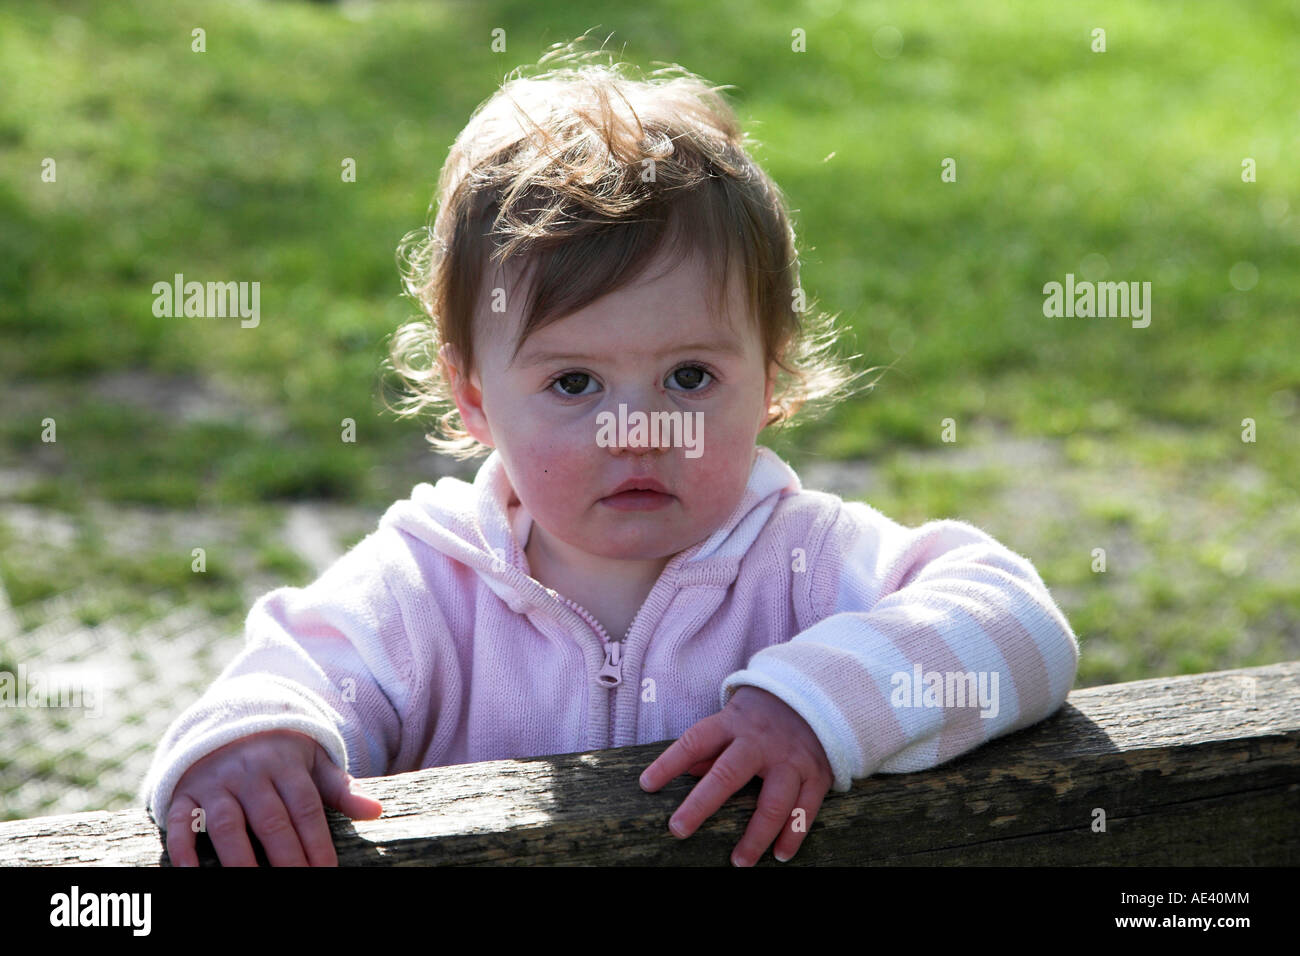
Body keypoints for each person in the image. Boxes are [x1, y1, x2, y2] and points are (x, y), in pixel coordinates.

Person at [139, 41, 1079, 867]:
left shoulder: (808, 562)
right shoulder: (425, 588)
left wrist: (820, 705)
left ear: (773, 376)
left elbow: (1018, 627)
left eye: (689, 378)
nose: (637, 429)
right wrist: (254, 742)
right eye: (575, 384)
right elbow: (293, 677)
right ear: (472, 394)